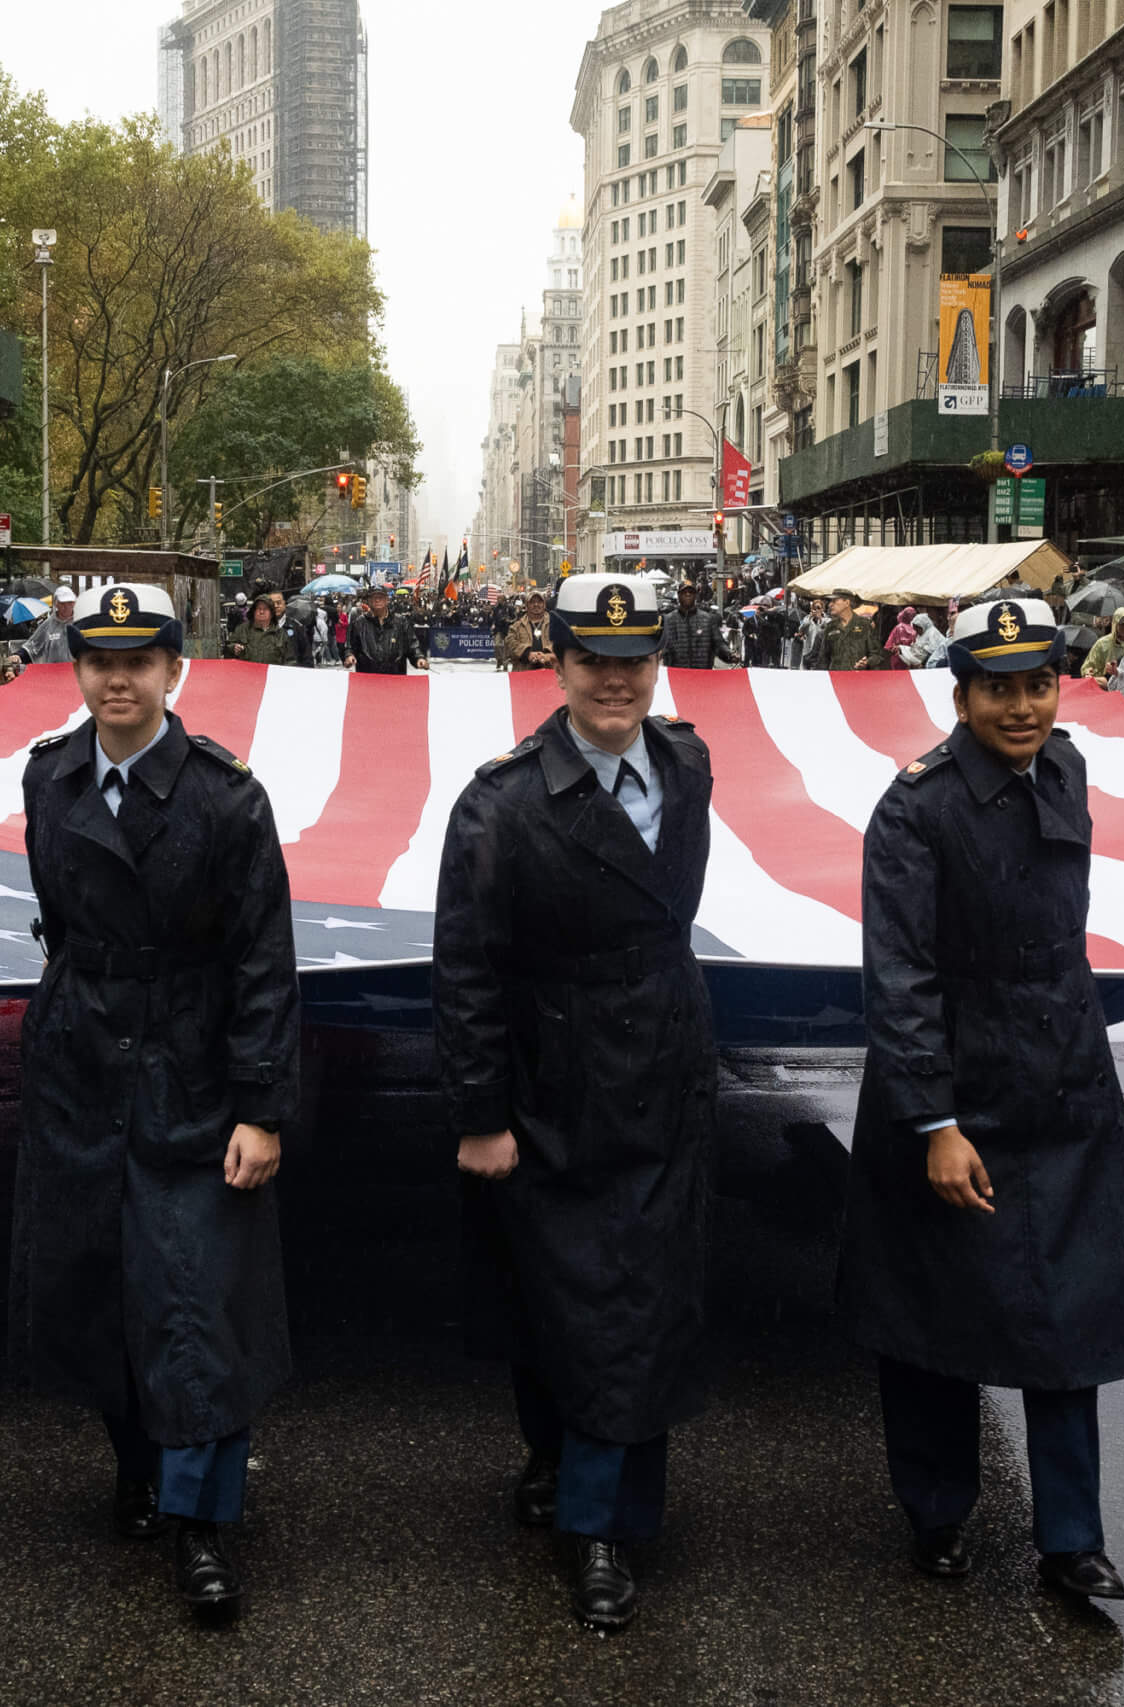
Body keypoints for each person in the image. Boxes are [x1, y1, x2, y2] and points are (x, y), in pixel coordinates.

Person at [840, 595, 1124, 1600]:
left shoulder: (1065, 767)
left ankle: (1072, 1539)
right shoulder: (915, 807)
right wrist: (934, 1123)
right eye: (998, 689)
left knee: (1069, 1318)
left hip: (1062, 1085)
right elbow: (899, 976)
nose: (1021, 707)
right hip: (952, 1089)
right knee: (938, 1321)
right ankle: (935, 1513)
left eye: (1037, 685)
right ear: (962, 693)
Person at [434, 572, 715, 1634]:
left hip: (666, 1069)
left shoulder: (686, 764)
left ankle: (596, 1503)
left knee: (638, 1301)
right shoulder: (501, 802)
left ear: (655, 664)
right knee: (577, 1304)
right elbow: (465, 968)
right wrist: (480, 1112)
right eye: (593, 659)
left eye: (633, 658)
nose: (614, 679)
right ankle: (590, 1518)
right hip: (557, 1082)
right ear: (554, 664)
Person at [14, 582, 299, 1624]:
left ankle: (201, 1523)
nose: (119, 679)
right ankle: (137, 1469)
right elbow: (60, 922)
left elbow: (265, 962)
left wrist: (262, 1107)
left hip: (193, 1069)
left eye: (140, 661)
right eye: (99, 661)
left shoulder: (227, 798)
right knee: (94, 1288)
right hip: (82, 1067)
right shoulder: (49, 777)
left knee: (196, 1301)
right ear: (78, 669)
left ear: (176, 670)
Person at [347, 585, 425, 675]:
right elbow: (350, 646)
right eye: (374, 597)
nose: (377, 600)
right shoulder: (359, 623)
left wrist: (419, 657)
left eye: (380, 597)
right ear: (368, 601)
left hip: (395, 678)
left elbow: (412, 645)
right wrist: (349, 655)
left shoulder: (401, 622)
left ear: (387, 600)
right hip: (367, 678)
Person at [659, 578, 728, 669]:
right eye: (684, 592)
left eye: (691, 592)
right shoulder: (668, 620)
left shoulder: (708, 619)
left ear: (695, 595)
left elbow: (719, 645)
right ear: (679, 595)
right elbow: (658, 648)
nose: (688, 594)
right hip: (676, 677)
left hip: (702, 676)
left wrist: (729, 655)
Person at [20, 586, 82, 665]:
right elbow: (32, 646)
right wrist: (19, 656)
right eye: (62, 603)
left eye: (70, 603)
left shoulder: (81, 622)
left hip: (76, 672)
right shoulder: (48, 624)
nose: (66, 607)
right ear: (56, 604)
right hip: (53, 672)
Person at [822, 589, 881, 671]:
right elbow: (823, 660)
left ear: (847, 603)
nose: (830, 605)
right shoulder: (830, 627)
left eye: (834, 601)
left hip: (858, 679)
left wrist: (867, 662)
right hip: (836, 680)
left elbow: (876, 655)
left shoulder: (865, 625)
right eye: (830, 601)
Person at [503, 591, 554, 671]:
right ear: (526, 606)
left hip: (550, 672)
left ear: (544, 605)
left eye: (539, 602)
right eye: (532, 602)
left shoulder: (555, 624)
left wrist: (546, 655)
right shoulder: (516, 626)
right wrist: (526, 654)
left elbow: (562, 644)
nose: (536, 604)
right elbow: (509, 644)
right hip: (523, 672)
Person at [1080, 609, 1124, 681]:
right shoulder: (1102, 643)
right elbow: (1088, 666)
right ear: (1115, 624)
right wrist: (1088, 672)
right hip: (1106, 683)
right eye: (1122, 624)